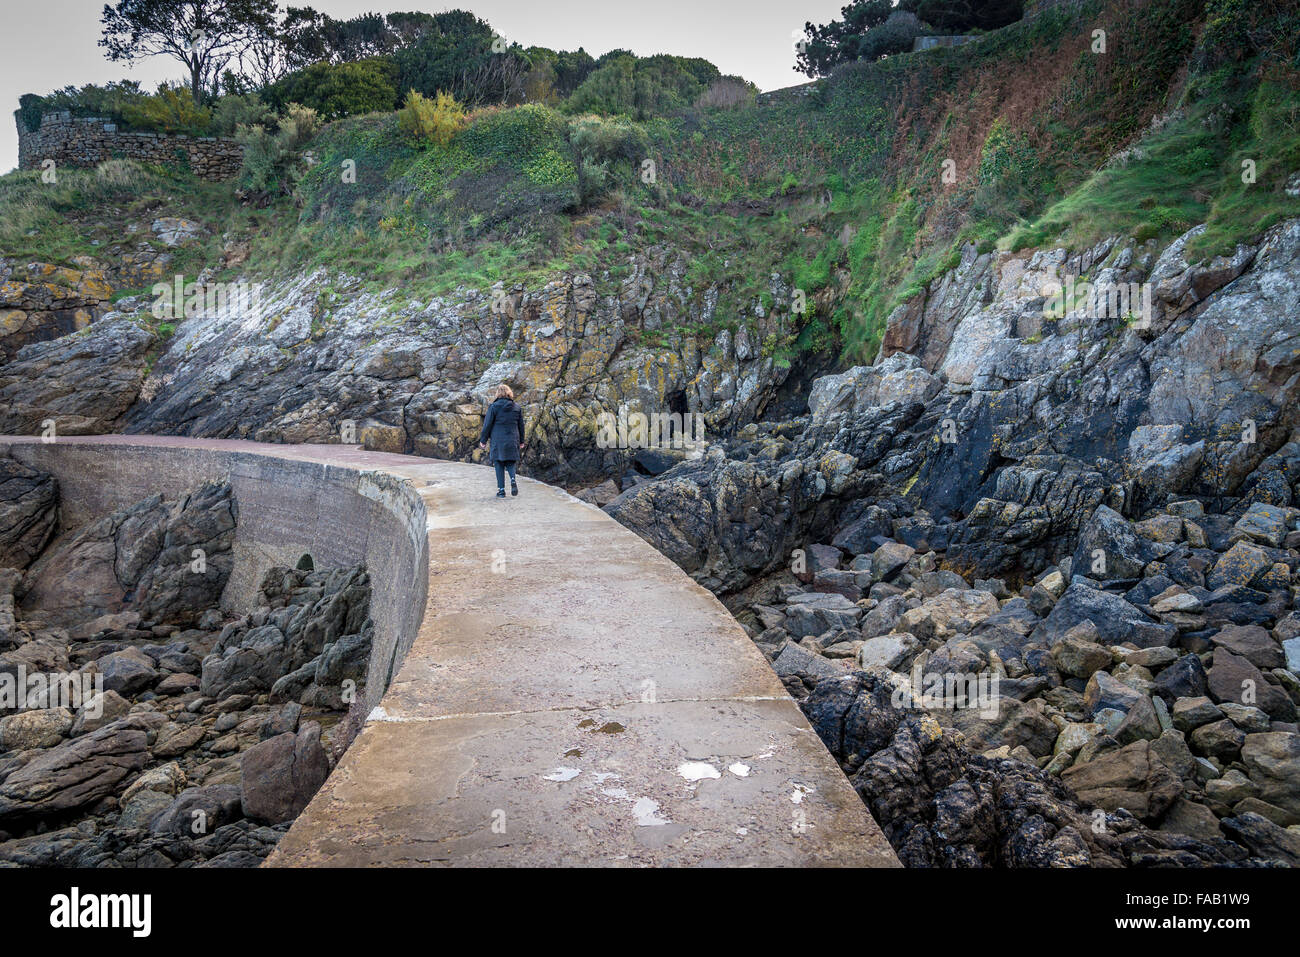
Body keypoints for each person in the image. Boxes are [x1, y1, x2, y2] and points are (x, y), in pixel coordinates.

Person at [478, 384, 526, 497]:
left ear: (498, 393)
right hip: (513, 438)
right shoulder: (517, 407)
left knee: (498, 462)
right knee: (510, 462)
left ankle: (501, 491)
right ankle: (513, 479)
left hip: (498, 439)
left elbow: (487, 425)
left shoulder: (493, 407)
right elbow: (521, 426)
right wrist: (522, 441)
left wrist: (483, 440)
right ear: (509, 393)